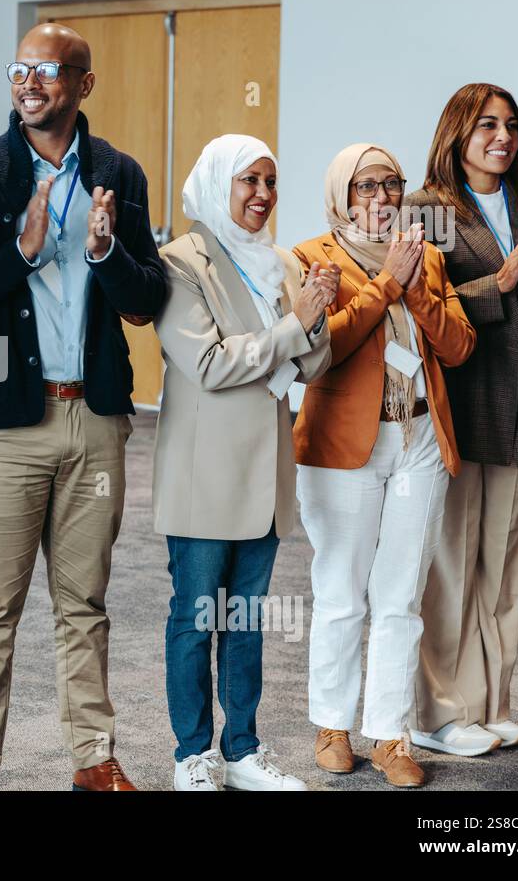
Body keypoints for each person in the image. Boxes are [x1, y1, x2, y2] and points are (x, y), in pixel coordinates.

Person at [0, 22, 166, 791]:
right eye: (19, 70)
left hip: (96, 416)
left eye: (48, 70)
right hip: (7, 425)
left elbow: (147, 301)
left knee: (84, 602)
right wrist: (26, 250)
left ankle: (94, 759)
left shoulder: (120, 173)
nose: (30, 82)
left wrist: (105, 253)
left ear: (82, 84)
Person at [405, 83, 518, 757]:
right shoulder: (428, 208)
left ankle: (489, 702)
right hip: (460, 400)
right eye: (487, 125)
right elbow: (419, 300)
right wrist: (501, 286)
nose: (503, 136)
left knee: (502, 564)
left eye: (511, 125)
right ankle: (437, 710)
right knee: (451, 563)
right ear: (458, 132)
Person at [154, 134, 333, 792]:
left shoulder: (282, 263)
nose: (262, 194)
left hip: (267, 471)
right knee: (196, 615)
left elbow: (316, 364)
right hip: (205, 474)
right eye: (248, 181)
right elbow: (207, 364)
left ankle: (243, 748)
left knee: (247, 619)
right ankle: (193, 753)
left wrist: (315, 317)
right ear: (217, 185)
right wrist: (293, 329)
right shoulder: (180, 262)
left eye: (270, 181)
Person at [292, 144, 475, 787]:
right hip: (344, 445)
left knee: (400, 595)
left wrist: (418, 287)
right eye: (366, 186)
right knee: (341, 591)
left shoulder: (425, 254)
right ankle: (332, 725)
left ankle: (392, 735)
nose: (382, 197)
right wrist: (387, 283)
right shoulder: (311, 258)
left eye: (391, 185)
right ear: (342, 194)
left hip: (419, 437)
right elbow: (325, 349)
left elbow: (457, 346)